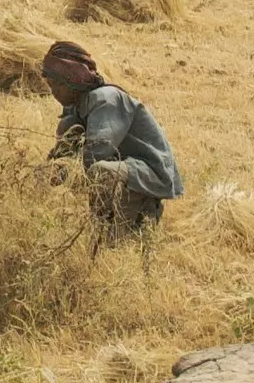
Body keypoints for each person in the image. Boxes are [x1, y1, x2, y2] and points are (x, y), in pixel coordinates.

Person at [42, 41, 183, 238]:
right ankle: (107, 231)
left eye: (56, 84)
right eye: (50, 85)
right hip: (126, 168)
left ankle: (125, 227)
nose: (53, 92)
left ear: (71, 79)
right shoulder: (74, 106)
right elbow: (63, 150)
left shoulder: (105, 99)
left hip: (149, 172)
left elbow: (96, 152)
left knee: (102, 172)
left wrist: (63, 172)